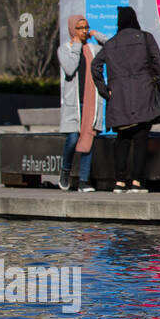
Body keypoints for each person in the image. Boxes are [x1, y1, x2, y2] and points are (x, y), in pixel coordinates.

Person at [91, 6, 160, 192]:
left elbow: (95, 66)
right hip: (143, 95)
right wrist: (154, 81)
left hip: (119, 99)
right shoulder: (145, 38)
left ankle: (119, 181)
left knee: (122, 139)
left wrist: (104, 90)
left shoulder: (111, 44)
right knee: (141, 140)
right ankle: (136, 182)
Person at [58, 15, 107, 192]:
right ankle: (65, 170)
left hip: (91, 102)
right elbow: (70, 68)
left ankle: (84, 181)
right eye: (80, 28)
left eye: (86, 27)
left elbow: (111, 46)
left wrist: (97, 34)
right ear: (72, 30)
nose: (84, 31)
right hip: (74, 105)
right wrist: (77, 45)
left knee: (88, 138)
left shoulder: (92, 49)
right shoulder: (65, 49)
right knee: (72, 138)